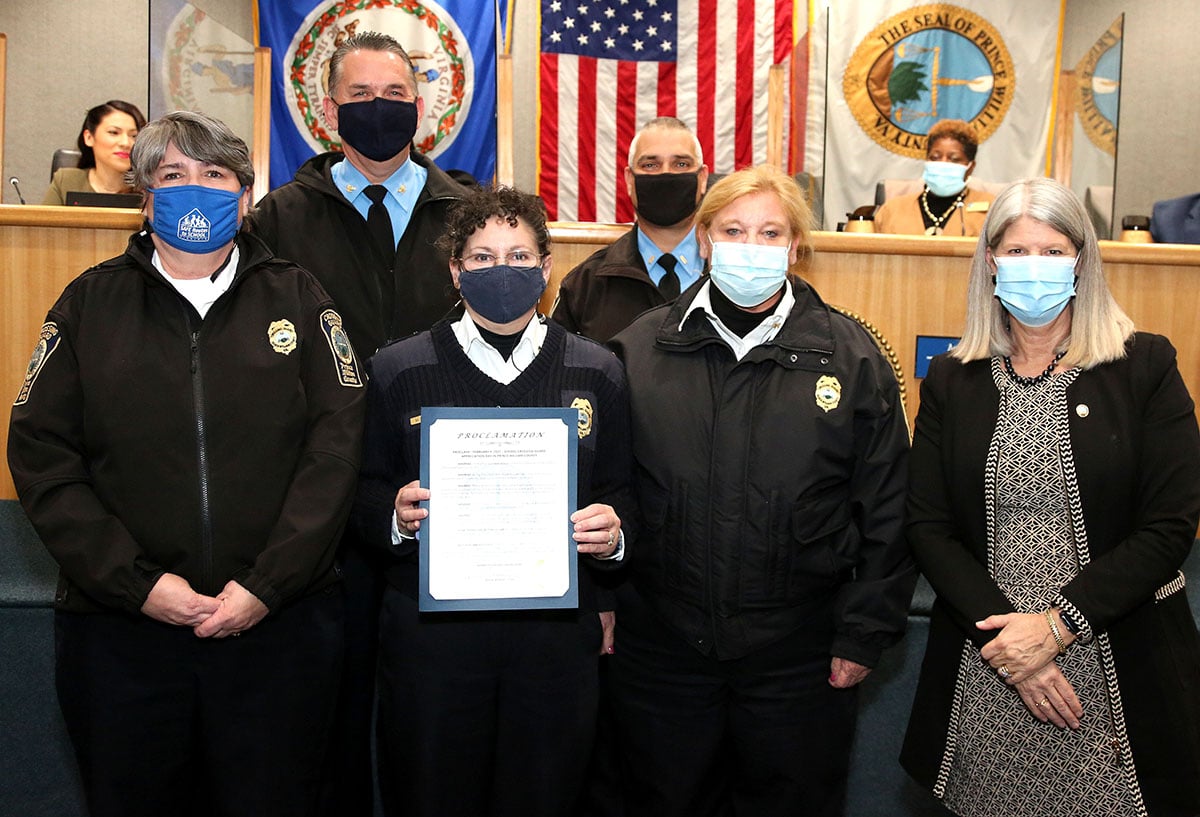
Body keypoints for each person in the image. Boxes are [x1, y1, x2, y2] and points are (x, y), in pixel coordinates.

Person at [7, 110, 366, 817]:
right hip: (124, 638)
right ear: (144, 196)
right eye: (172, 175)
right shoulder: (88, 304)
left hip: (278, 630)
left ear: (244, 195)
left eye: (213, 174)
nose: (193, 189)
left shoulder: (300, 296)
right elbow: (43, 455)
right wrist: (137, 584)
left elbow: (337, 446)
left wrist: (267, 583)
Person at [607, 165, 914, 817]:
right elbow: (610, 490)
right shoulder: (637, 351)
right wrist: (600, 603)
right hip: (663, 649)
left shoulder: (853, 358)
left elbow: (887, 508)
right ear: (706, 241)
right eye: (734, 230)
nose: (752, 245)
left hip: (798, 653)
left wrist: (863, 634)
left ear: (796, 245)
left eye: (770, 231)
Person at [901, 177, 1200, 817]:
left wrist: (1058, 626)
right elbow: (928, 525)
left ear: (1082, 261)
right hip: (991, 665)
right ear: (989, 263)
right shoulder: (954, 377)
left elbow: (1170, 525)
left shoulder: (1145, 365)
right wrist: (1017, 649)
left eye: (1053, 250)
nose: (1033, 267)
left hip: (1113, 659)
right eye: (1016, 251)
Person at [352, 185, 634, 817]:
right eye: (481, 257)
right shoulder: (398, 369)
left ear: (545, 266)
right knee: (428, 793)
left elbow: (622, 491)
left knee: (549, 793)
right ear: (455, 270)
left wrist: (613, 534)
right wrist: (393, 517)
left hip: (554, 641)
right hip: (432, 643)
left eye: (518, 253)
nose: (500, 269)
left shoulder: (597, 369)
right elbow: (357, 491)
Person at [243, 31, 467, 815]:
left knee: (435, 715)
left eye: (396, 96)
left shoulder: (467, 214)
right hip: (321, 509)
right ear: (328, 108)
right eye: (362, 97)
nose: (381, 110)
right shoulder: (278, 218)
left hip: (442, 503)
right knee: (325, 710)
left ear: (422, 107)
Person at [552, 117, 709, 343]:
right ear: (629, 179)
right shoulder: (585, 284)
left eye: (681, 164)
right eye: (650, 165)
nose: (666, 175)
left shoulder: (731, 273)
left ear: (702, 178)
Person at [873, 118, 993, 236]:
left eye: (954, 159)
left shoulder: (992, 210)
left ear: (971, 167)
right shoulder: (892, 209)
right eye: (935, 157)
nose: (943, 163)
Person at [43, 100, 146, 205]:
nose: (126, 143)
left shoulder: (150, 189)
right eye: (114, 132)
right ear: (89, 137)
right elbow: (42, 221)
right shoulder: (66, 181)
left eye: (134, 136)